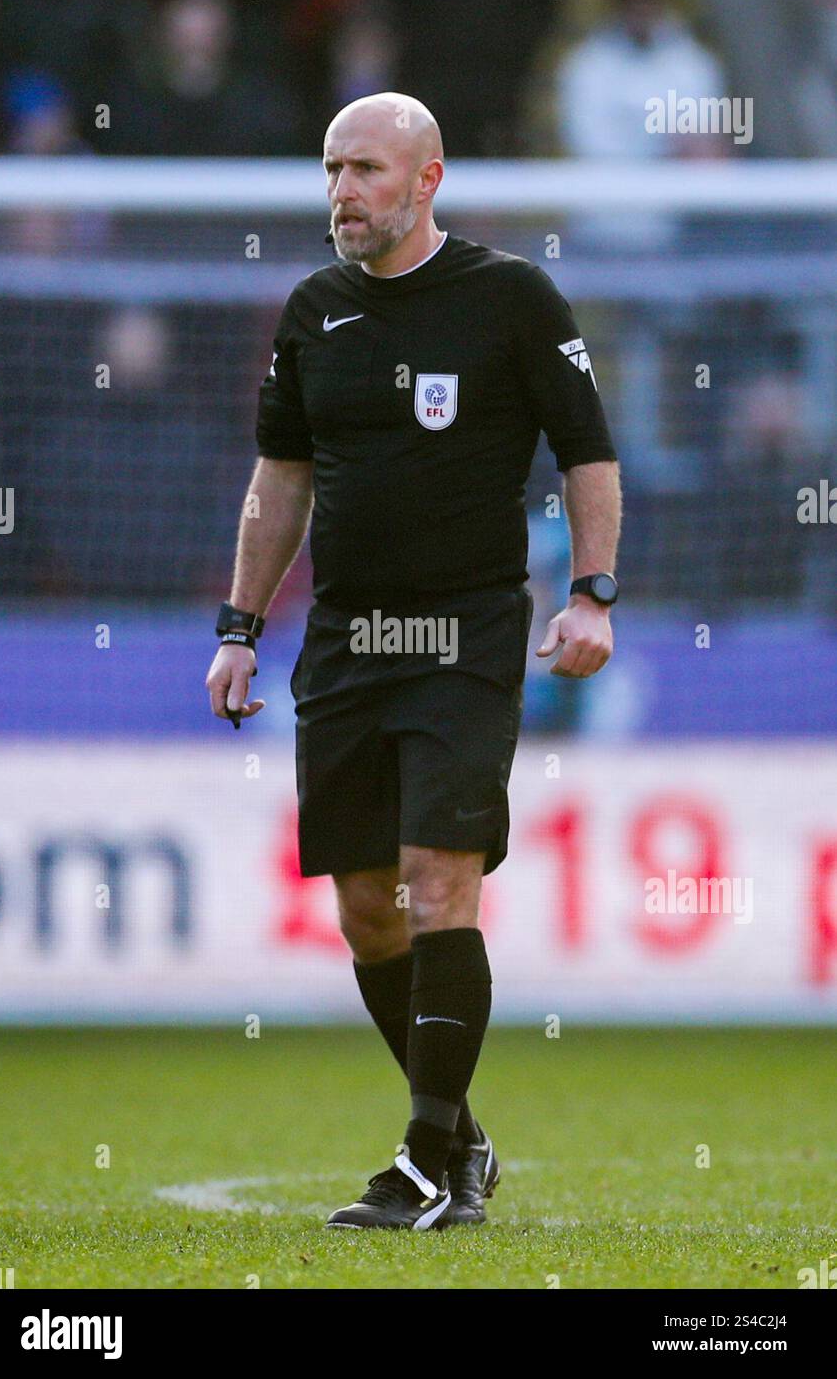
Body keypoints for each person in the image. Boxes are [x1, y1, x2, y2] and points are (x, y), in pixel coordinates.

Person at [205, 92, 621, 1230]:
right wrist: (240, 625)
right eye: (332, 169)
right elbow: (278, 479)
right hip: (345, 637)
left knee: (439, 880)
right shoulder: (310, 313)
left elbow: (586, 450)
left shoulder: (511, 300)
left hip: (464, 631)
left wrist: (590, 593)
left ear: (426, 180)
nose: (342, 193)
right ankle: (461, 1137)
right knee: (364, 908)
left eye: (366, 172)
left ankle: (426, 1164)